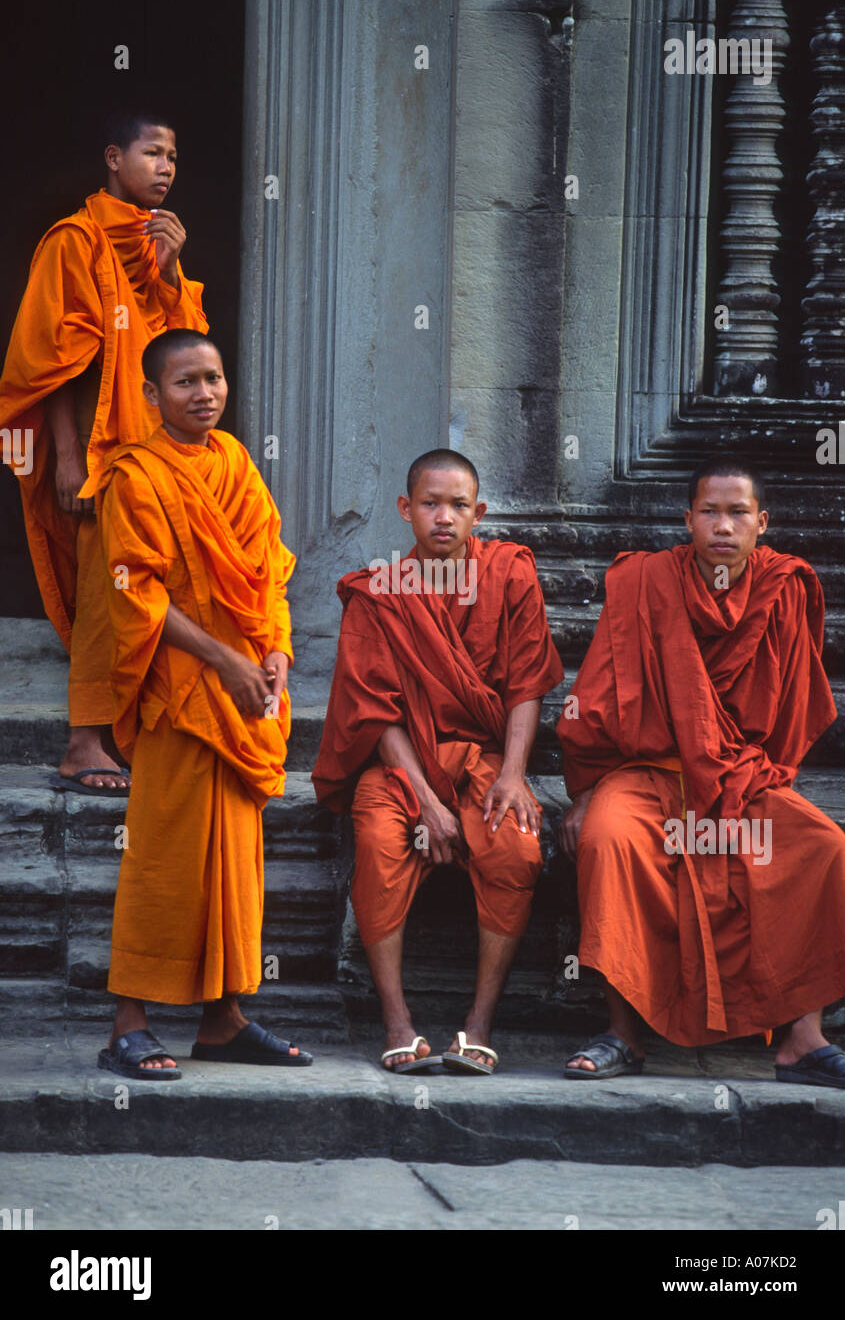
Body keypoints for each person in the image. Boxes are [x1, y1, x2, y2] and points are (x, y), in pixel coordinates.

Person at [558, 456, 845, 1087]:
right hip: (645, 772)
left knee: (822, 845)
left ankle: (803, 1039)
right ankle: (622, 1034)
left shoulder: (785, 588)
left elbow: (793, 706)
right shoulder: (644, 583)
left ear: (761, 523)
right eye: (709, 512)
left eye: (737, 512)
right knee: (608, 839)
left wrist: (750, 782)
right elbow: (599, 694)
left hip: (739, 777)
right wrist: (582, 793)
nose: (722, 525)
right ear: (687, 520)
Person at [96, 328, 311, 1079]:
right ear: (152, 396)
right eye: (185, 383)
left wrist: (275, 652)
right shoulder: (136, 476)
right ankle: (128, 1020)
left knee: (234, 864)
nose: (204, 394)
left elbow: (269, 568)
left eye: (213, 378)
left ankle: (224, 1019)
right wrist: (223, 659)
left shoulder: (235, 463)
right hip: (183, 693)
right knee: (161, 859)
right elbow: (137, 593)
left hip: (245, 694)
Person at [312, 449, 564, 1073]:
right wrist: (428, 802)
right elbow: (376, 710)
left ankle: (478, 1026)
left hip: (484, 759)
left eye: (458, 505)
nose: (443, 517)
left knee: (516, 848)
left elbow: (527, 683)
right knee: (376, 840)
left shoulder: (510, 574)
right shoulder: (380, 594)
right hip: (402, 767)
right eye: (430, 503)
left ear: (478, 512)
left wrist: (512, 775)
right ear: (406, 509)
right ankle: (397, 1022)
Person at [0, 110, 207, 792]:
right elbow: (53, 365)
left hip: (154, 452)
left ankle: (146, 728)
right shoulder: (73, 242)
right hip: (93, 449)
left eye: (174, 155)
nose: (167, 166)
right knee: (101, 589)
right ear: (115, 158)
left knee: (148, 585)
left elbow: (181, 358)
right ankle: (83, 742)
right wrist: (63, 458)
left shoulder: (155, 249)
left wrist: (168, 275)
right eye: (154, 152)